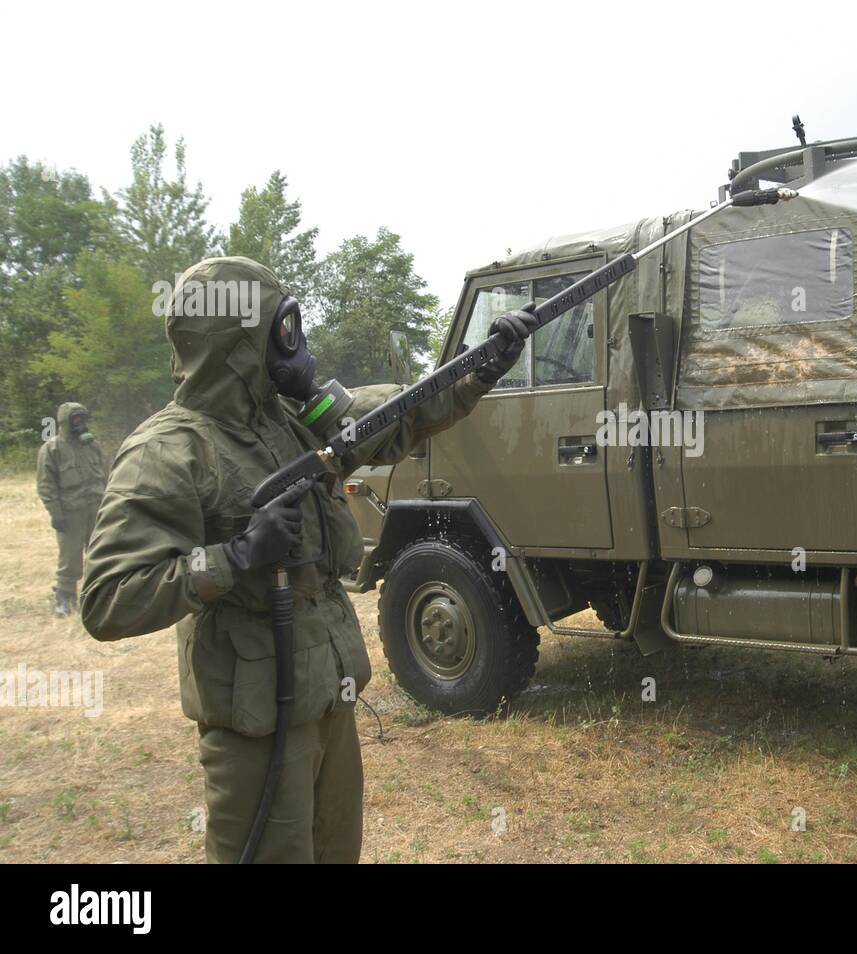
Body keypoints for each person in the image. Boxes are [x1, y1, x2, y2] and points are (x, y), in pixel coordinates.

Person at [80, 256, 537, 863]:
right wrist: (236, 556)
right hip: (254, 725)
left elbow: (381, 420)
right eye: (281, 326)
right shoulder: (169, 452)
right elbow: (109, 597)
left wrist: (476, 371)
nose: (294, 340)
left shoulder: (291, 419)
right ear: (241, 342)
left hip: (324, 696)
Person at [36, 402, 106, 616]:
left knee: (100, 554)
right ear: (65, 422)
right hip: (70, 512)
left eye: (84, 419)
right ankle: (65, 600)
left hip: (96, 508)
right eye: (76, 419)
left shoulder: (92, 446)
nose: (81, 424)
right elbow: (45, 484)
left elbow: (107, 475)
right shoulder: (52, 449)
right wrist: (55, 512)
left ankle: (98, 597)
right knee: (70, 557)